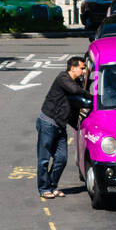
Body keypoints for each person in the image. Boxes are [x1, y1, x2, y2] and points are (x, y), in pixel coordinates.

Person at [36, 57, 86, 199]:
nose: (83, 71)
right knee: (44, 159)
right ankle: (44, 188)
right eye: (82, 68)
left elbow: (75, 106)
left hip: (60, 125)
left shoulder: (76, 82)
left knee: (61, 158)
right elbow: (75, 91)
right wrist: (93, 97)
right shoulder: (63, 78)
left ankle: (52, 186)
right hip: (48, 123)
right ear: (72, 67)